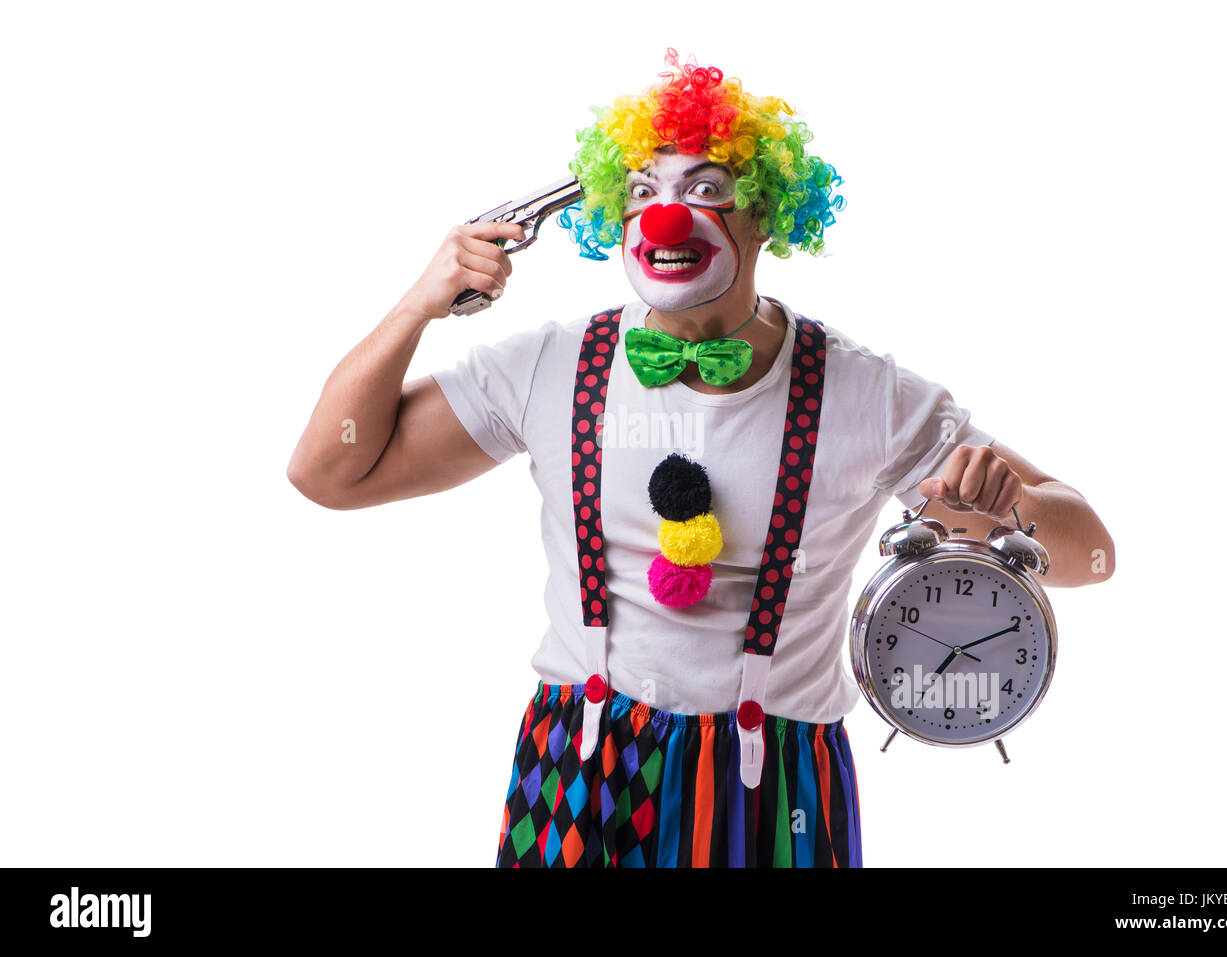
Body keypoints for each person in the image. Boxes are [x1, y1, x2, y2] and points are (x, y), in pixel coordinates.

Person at [287, 48, 1116, 868]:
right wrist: (416, 305)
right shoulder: (551, 365)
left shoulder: (870, 394)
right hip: (578, 768)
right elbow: (328, 470)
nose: (667, 215)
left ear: (763, 216)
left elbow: (1091, 553)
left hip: (779, 787)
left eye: (706, 190)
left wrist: (1007, 506)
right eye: (643, 191)